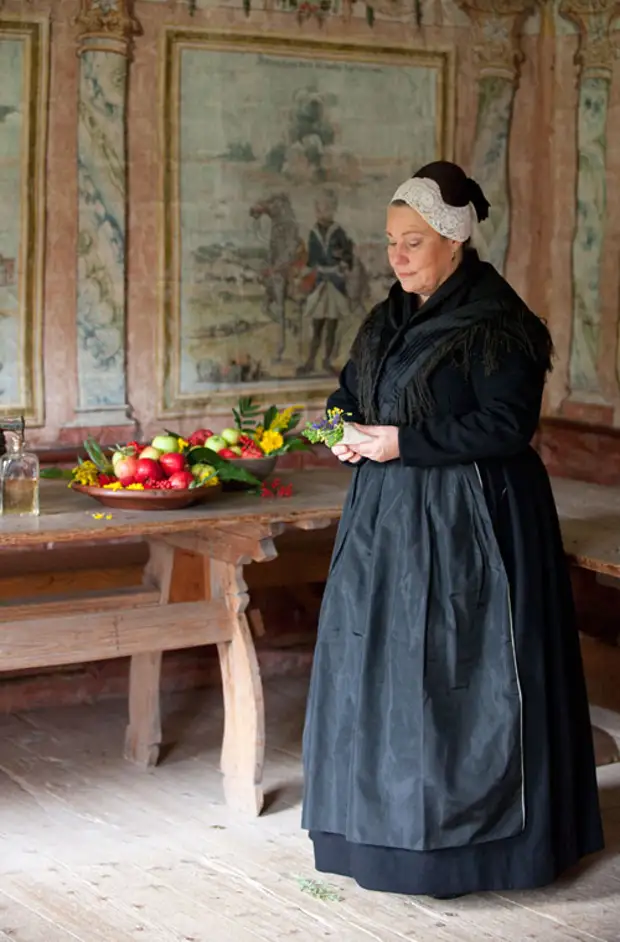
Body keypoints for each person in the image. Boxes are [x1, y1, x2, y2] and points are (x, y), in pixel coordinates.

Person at [301, 161, 604, 898]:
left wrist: (401, 442)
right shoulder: (388, 318)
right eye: (391, 242)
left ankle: (473, 847)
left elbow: (506, 424)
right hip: (386, 522)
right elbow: (350, 391)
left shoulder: (500, 325)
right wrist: (340, 428)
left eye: (412, 241)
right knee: (382, 671)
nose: (396, 256)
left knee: (455, 675)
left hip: (474, 520)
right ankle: (381, 834)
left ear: (454, 240)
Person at [299, 189, 354, 376]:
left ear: (334, 209)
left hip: (335, 283)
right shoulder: (313, 233)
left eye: (330, 208)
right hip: (321, 282)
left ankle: (327, 361)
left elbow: (348, 253)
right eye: (322, 208)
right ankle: (310, 361)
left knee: (331, 326)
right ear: (316, 210)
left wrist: (344, 261)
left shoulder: (338, 232)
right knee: (316, 326)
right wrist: (305, 270)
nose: (326, 211)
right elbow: (311, 258)